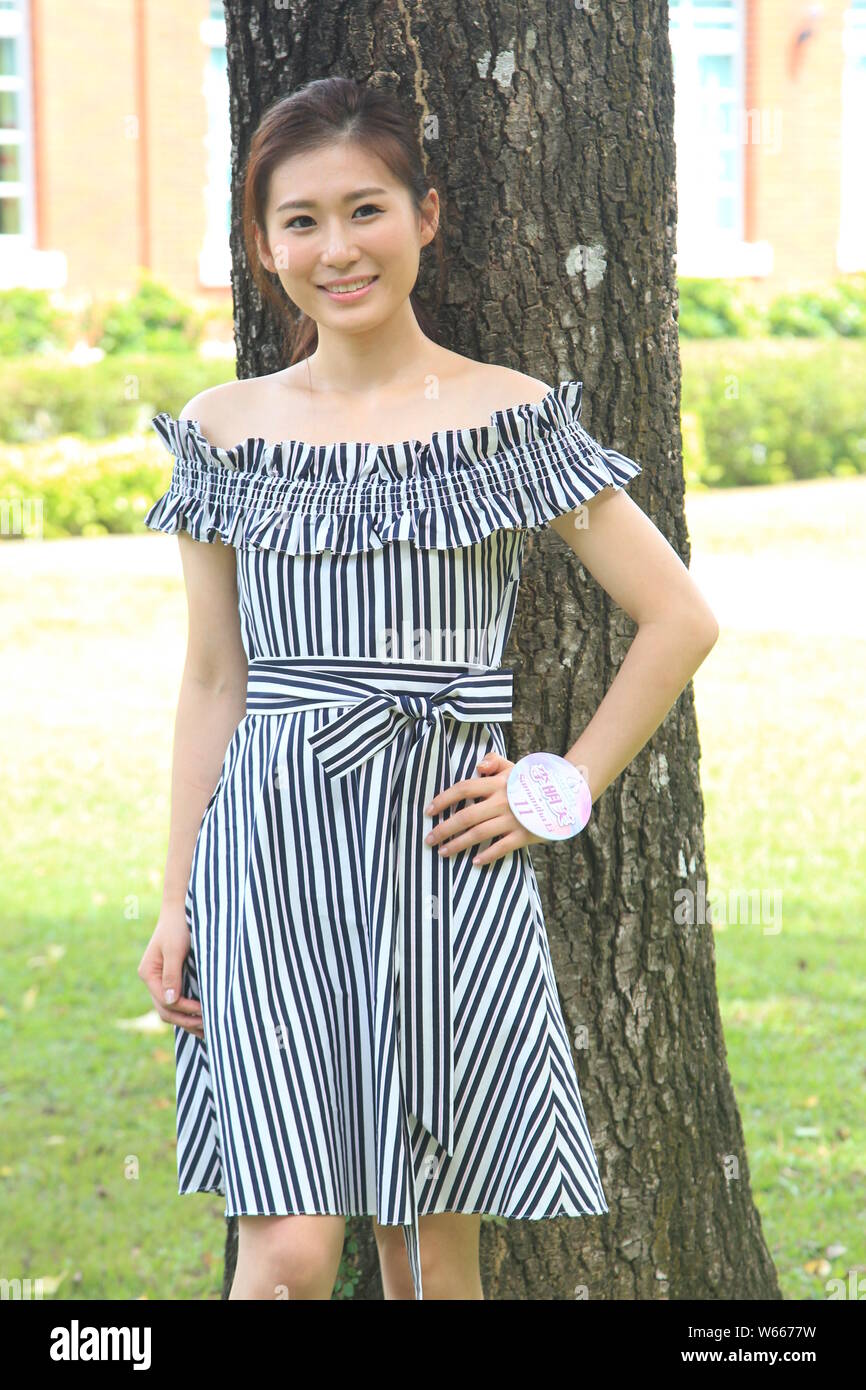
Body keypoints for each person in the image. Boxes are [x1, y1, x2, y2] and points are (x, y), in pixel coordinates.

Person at [137, 75, 718, 1301]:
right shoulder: (224, 430)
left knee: (424, 1257)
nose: (336, 249)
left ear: (425, 215)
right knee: (288, 1257)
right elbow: (210, 680)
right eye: (300, 221)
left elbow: (676, 619)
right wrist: (178, 899)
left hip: (445, 860)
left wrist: (554, 788)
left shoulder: (506, 418)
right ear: (262, 245)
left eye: (365, 210)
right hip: (270, 859)